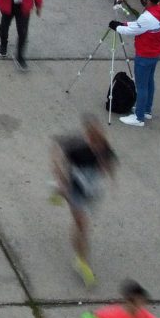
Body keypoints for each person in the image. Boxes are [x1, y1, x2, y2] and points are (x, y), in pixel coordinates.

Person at [53, 119, 118, 286]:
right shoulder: (78, 147)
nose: (98, 140)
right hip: (74, 187)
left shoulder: (104, 148)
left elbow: (110, 163)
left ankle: (58, 192)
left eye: (100, 136)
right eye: (94, 137)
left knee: (81, 223)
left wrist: (110, 175)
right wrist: (62, 181)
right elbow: (57, 155)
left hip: (91, 188)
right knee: (81, 224)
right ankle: (81, 262)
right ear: (88, 136)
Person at [111, 0, 160, 127]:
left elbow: (134, 30)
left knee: (141, 86)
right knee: (149, 82)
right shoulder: (159, 12)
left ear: (149, 0)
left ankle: (139, 118)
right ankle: (146, 110)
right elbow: (139, 25)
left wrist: (117, 27)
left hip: (144, 54)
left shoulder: (147, 17)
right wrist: (123, 24)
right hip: (155, 53)